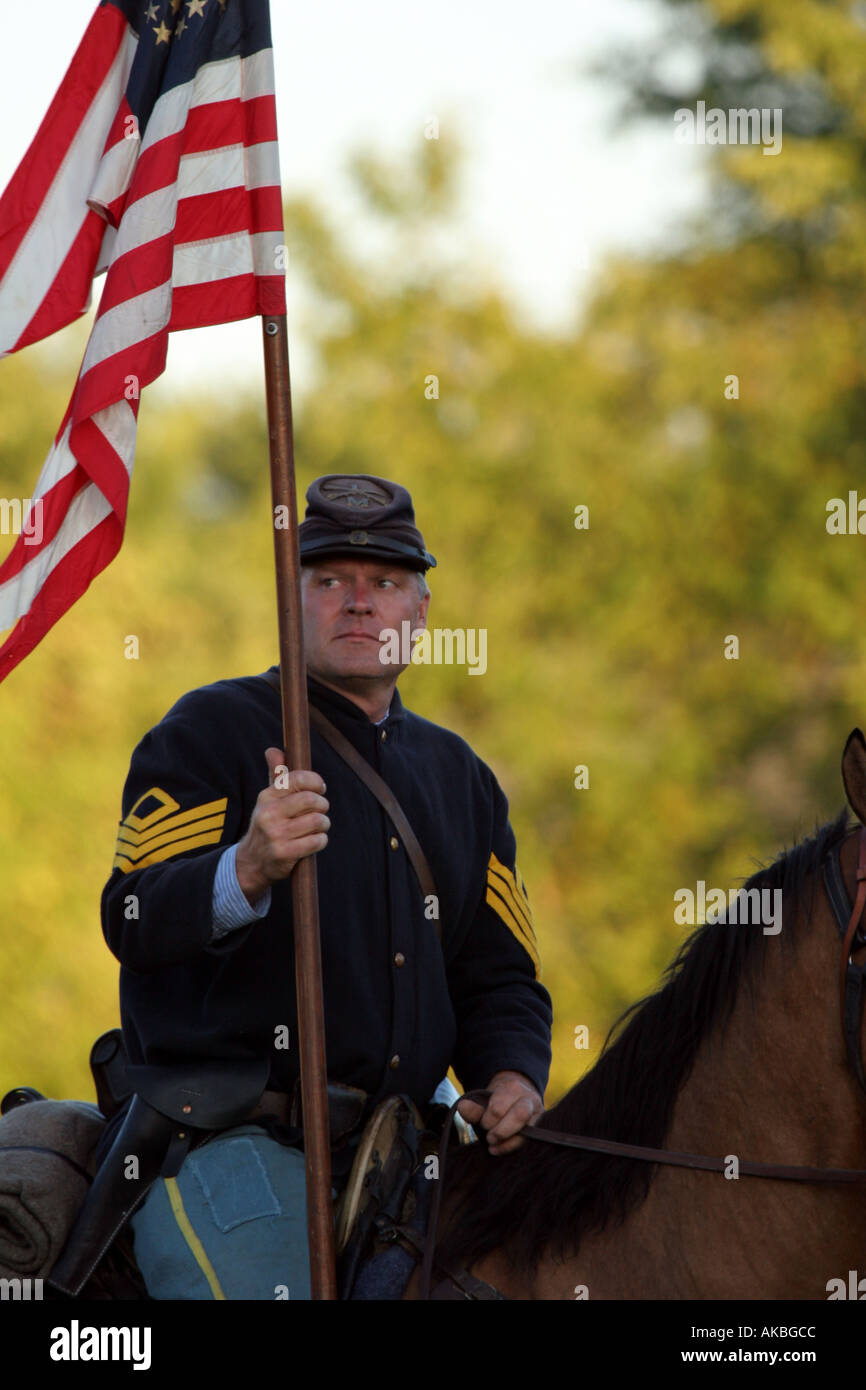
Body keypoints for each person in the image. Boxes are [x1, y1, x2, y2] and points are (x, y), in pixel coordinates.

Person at [101, 473, 552, 1299]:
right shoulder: (208, 729)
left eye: (385, 583)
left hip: (409, 1153)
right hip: (226, 1142)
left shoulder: (463, 778)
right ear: (290, 601)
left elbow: (501, 978)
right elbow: (130, 913)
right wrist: (245, 868)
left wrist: (514, 1076)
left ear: (418, 616)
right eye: (330, 581)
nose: (358, 603)